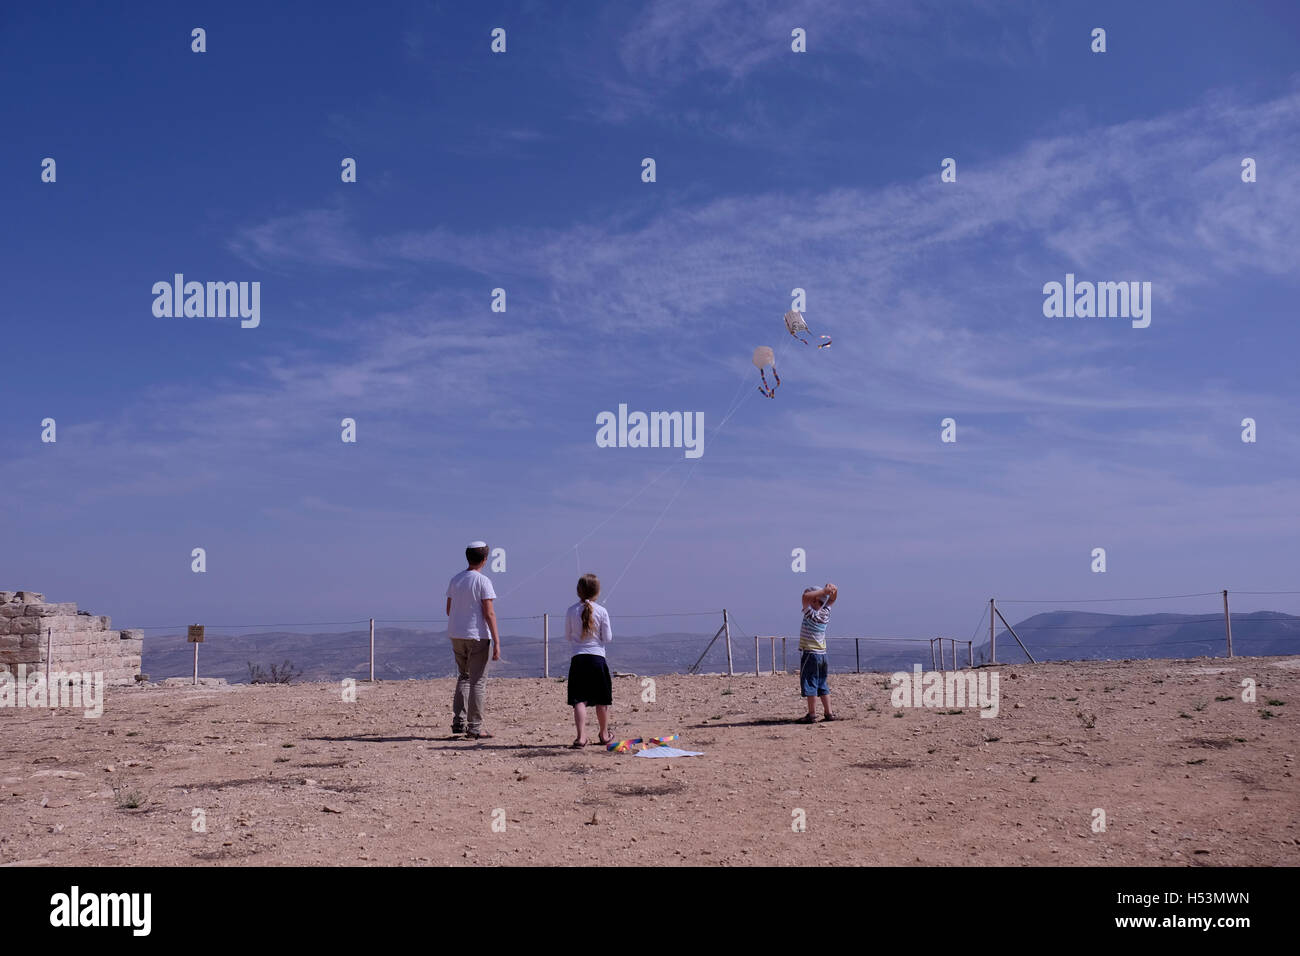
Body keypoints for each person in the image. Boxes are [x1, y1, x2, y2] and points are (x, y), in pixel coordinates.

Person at [445, 541, 500, 739]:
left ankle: (458, 722)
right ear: (485, 559)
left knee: (464, 676)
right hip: (476, 635)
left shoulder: (456, 579)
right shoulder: (483, 581)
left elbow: (449, 609)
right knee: (478, 681)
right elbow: (489, 613)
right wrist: (496, 641)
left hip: (456, 634)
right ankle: (475, 727)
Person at [565, 573, 614, 748]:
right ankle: (604, 734)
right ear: (597, 591)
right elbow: (607, 638)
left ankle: (581, 737)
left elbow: (568, 636)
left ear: (578, 591)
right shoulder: (602, 611)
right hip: (597, 659)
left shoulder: (571, 610)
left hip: (578, 659)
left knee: (579, 700)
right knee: (602, 700)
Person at [796, 583, 838, 723]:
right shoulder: (825, 613)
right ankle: (829, 712)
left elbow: (804, 597)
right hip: (822, 655)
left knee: (810, 683)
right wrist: (833, 591)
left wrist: (823, 591)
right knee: (822, 683)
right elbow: (832, 600)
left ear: (814, 600)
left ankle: (812, 714)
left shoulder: (810, 614)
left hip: (810, 654)